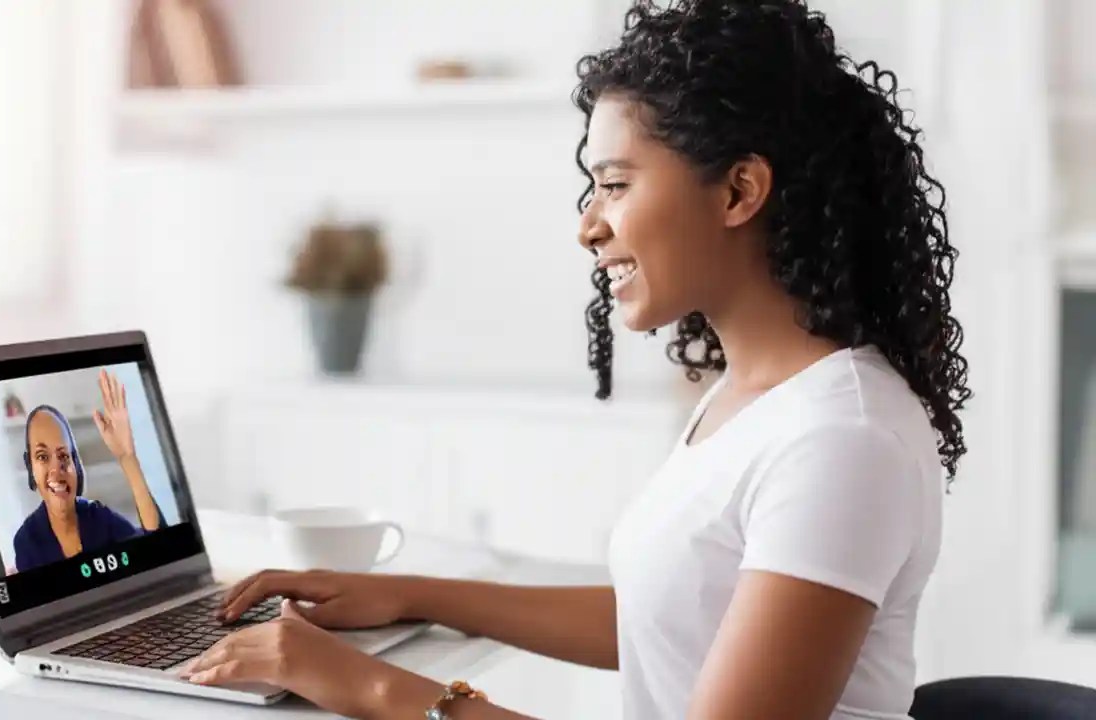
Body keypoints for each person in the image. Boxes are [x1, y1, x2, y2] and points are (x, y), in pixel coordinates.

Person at [178, 1, 972, 718]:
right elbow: (669, 616)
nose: (588, 225)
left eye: (616, 185)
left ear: (737, 193)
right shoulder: (755, 396)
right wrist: (408, 593)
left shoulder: (840, 440)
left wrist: (371, 686)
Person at [12, 369, 166, 573]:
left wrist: (127, 457)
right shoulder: (27, 541)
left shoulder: (99, 518)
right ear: (30, 466)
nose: (56, 470)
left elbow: (157, 547)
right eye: (42, 457)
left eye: (64, 456)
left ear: (76, 466)